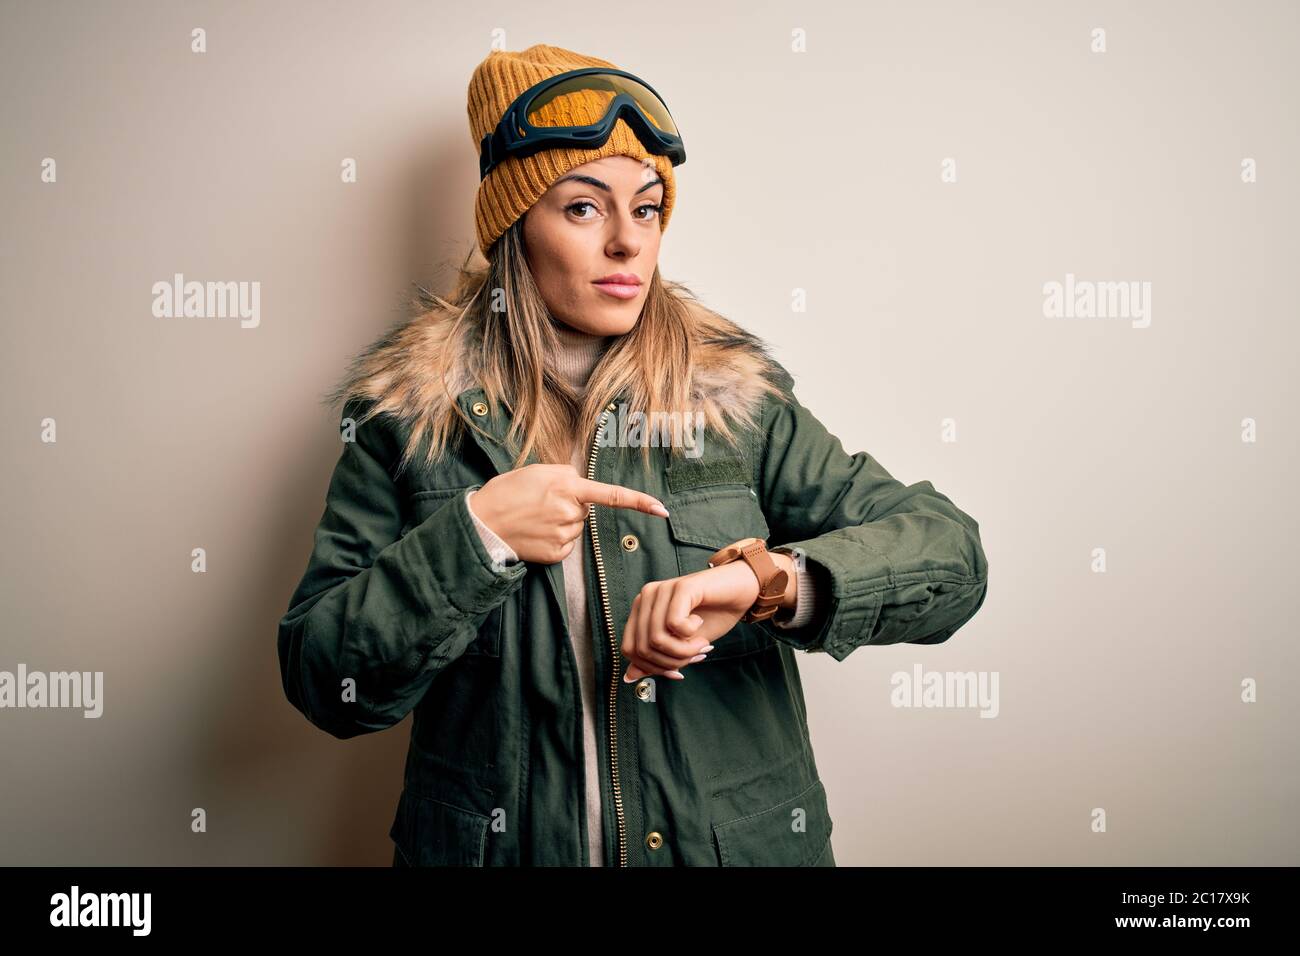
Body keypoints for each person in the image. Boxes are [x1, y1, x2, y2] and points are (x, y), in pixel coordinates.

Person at [277, 43, 989, 867]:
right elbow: (325, 682)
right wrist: (474, 537)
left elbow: (953, 558)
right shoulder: (408, 416)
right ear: (515, 226)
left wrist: (765, 582)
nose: (628, 243)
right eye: (583, 208)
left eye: (646, 209)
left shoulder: (731, 402)